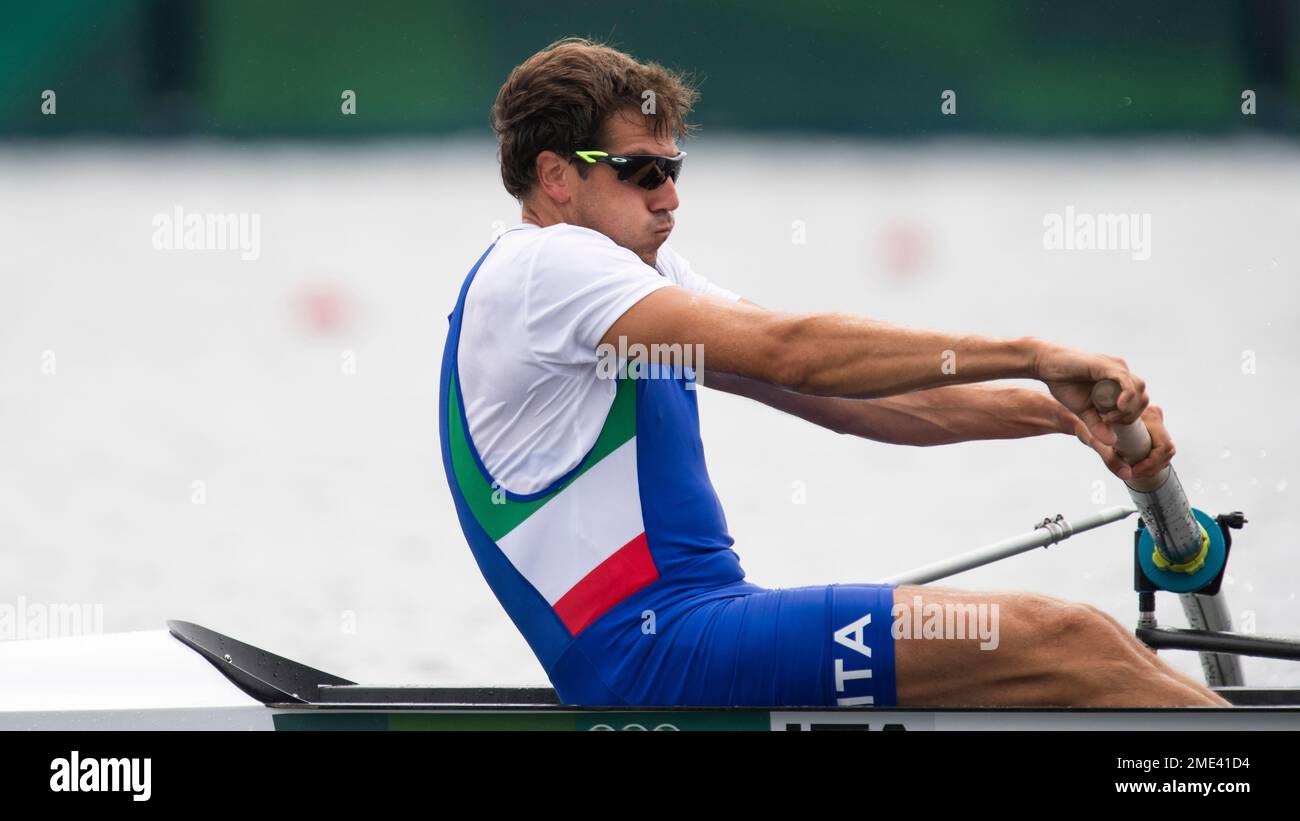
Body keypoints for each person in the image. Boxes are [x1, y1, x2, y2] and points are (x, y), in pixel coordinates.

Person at [437, 36, 1228, 708]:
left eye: (675, 168)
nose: (670, 196)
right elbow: (794, 350)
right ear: (556, 175)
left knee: (1090, 652)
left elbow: (844, 395)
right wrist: (1031, 354)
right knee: (1069, 640)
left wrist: (1062, 416)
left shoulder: (634, 275)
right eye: (642, 171)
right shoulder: (546, 269)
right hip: (656, 656)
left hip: (703, 632)